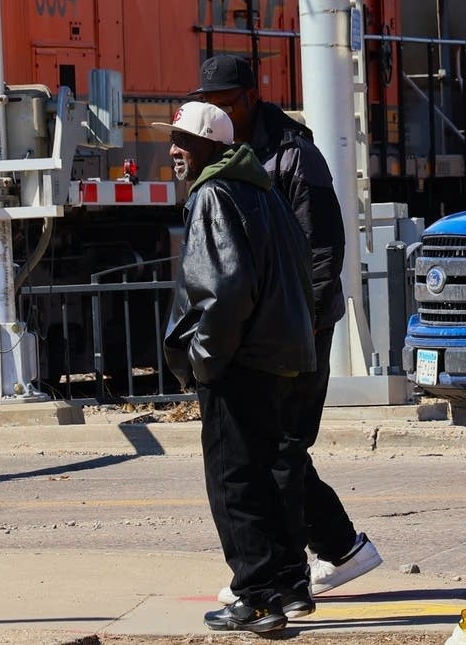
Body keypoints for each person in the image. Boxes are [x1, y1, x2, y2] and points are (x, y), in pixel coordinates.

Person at [191, 53, 384, 598]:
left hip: (298, 332)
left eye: (225, 103)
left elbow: (323, 250)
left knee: (280, 449)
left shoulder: (296, 156)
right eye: (209, 104)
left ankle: (284, 573)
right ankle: (338, 549)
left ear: (250, 97)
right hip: (260, 336)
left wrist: (311, 329)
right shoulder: (225, 150)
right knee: (274, 449)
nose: (217, 113)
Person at [158, 100, 319, 635]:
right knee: (273, 473)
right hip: (278, 358)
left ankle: (255, 597)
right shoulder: (261, 190)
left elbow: (223, 288)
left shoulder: (214, 193)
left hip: (238, 361)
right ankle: (291, 584)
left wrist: (205, 359)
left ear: (212, 148)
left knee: (235, 481)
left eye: (184, 140)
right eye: (173, 139)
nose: (174, 150)